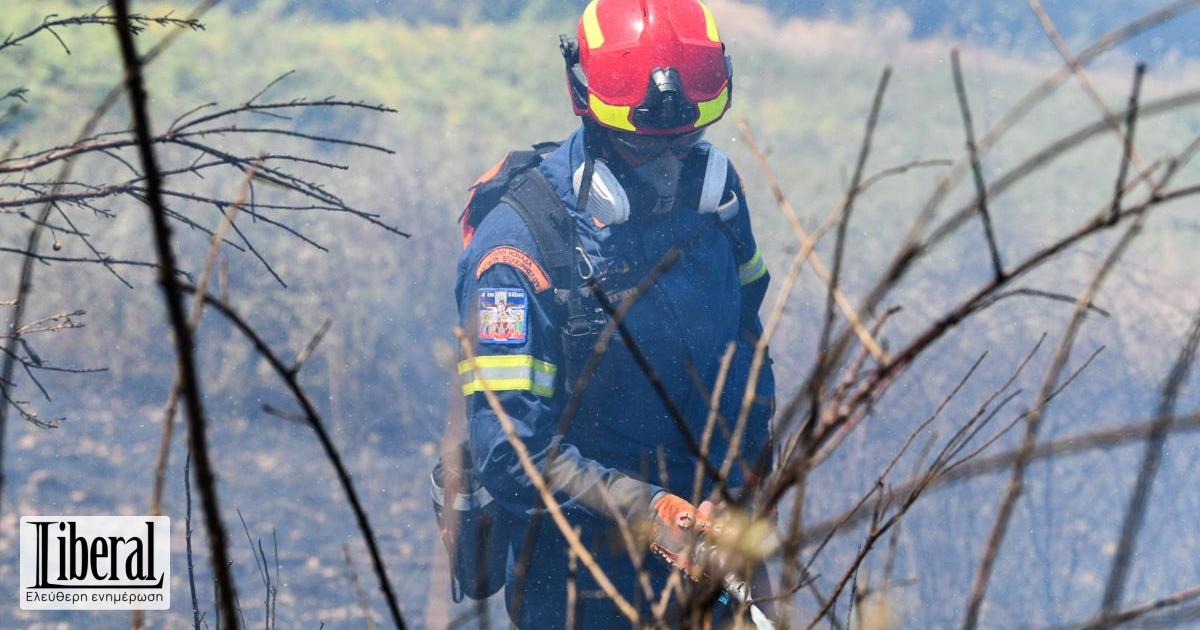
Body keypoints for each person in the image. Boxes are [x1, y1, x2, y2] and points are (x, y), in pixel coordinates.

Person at [453, 0, 775, 626]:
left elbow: (748, 347)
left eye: (688, 142)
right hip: (573, 573)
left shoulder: (717, 208)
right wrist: (649, 510)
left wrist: (734, 490)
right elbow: (511, 450)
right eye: (644, 148)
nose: (671, 168)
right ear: (592, 113)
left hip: (710, 551)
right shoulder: (520, 253)